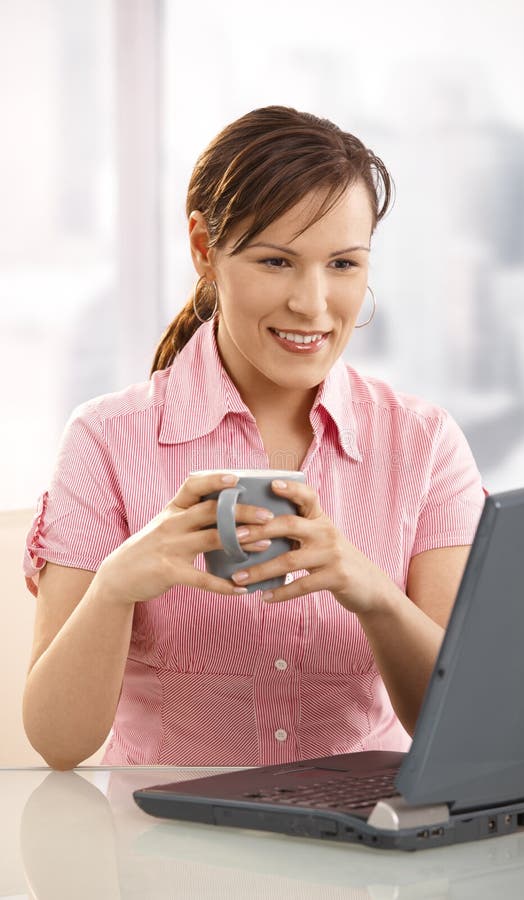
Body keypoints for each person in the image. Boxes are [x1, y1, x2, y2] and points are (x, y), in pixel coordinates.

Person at [22, 105, 484, 770]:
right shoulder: (106, 439)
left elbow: (461, 730)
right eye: (276, 261)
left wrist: (372, 591)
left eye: (344, 265)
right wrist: (116, 586)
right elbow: (60, 744)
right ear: (205, 248)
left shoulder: (424, 444)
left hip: (363, 859)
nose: (312, 303)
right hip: (163, 853)